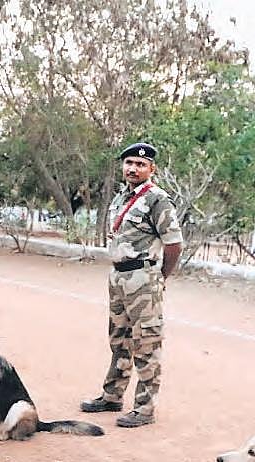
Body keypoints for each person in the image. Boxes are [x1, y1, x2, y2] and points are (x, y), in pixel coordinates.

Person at [80, 142, 183, 428]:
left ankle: (145, 408)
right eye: (129, 163)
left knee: (146, 343)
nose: (133, 168)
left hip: (143, 278)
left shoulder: (157, 200)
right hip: (118, 276)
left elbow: (174, 244)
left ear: (152, 169)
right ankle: (112, 395)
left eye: (140, 164)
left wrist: (160, 277)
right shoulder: (120, 199)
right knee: (119, 339)